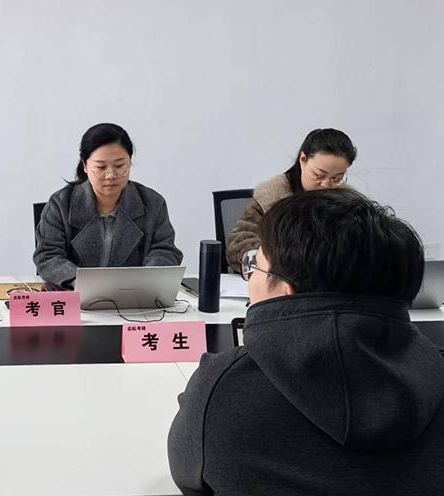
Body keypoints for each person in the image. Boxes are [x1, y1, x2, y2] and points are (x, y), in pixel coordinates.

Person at [168, 189, 444, 495]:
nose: (251, 279)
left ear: (286, 291)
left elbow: (189, 479)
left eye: (255, 266)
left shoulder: (222, 392)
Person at [33, 123, 183, 289]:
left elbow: (165, 251)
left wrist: (144, 282)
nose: (111, 175)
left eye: (119, 165)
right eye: (101, 167)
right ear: (85, 166)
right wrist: (84, 283)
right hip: (75, 295)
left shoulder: (152, 203)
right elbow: (48, 256)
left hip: (134, 298)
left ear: (130, 162)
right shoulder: (61, 204)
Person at [226, 128, 357, 272]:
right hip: (282, 276)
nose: (326, 185)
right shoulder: (271, 196)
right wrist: (276, 263)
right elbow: (238, 244)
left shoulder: (348, 201)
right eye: (319, 175)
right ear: (303, 160)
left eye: (336, 178)